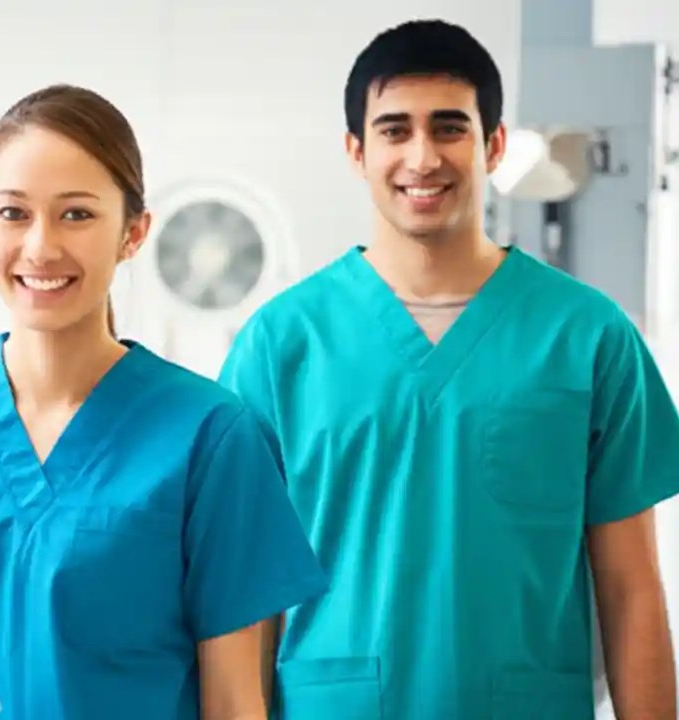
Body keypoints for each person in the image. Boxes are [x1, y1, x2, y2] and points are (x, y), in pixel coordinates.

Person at [218, 19, 679, 719]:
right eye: (395, 130)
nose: (422, 156)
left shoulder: (587, 337)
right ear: (356, 151)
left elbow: (631, 587)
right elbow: (244, 596)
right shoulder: (281, 345)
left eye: (449, 128)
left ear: (493, 144)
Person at [0, 83, 328, 719]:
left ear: (134, 233)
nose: (41, 247)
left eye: (76, 214)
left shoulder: (210, 438)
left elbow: (233, 702)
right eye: (13, 213)